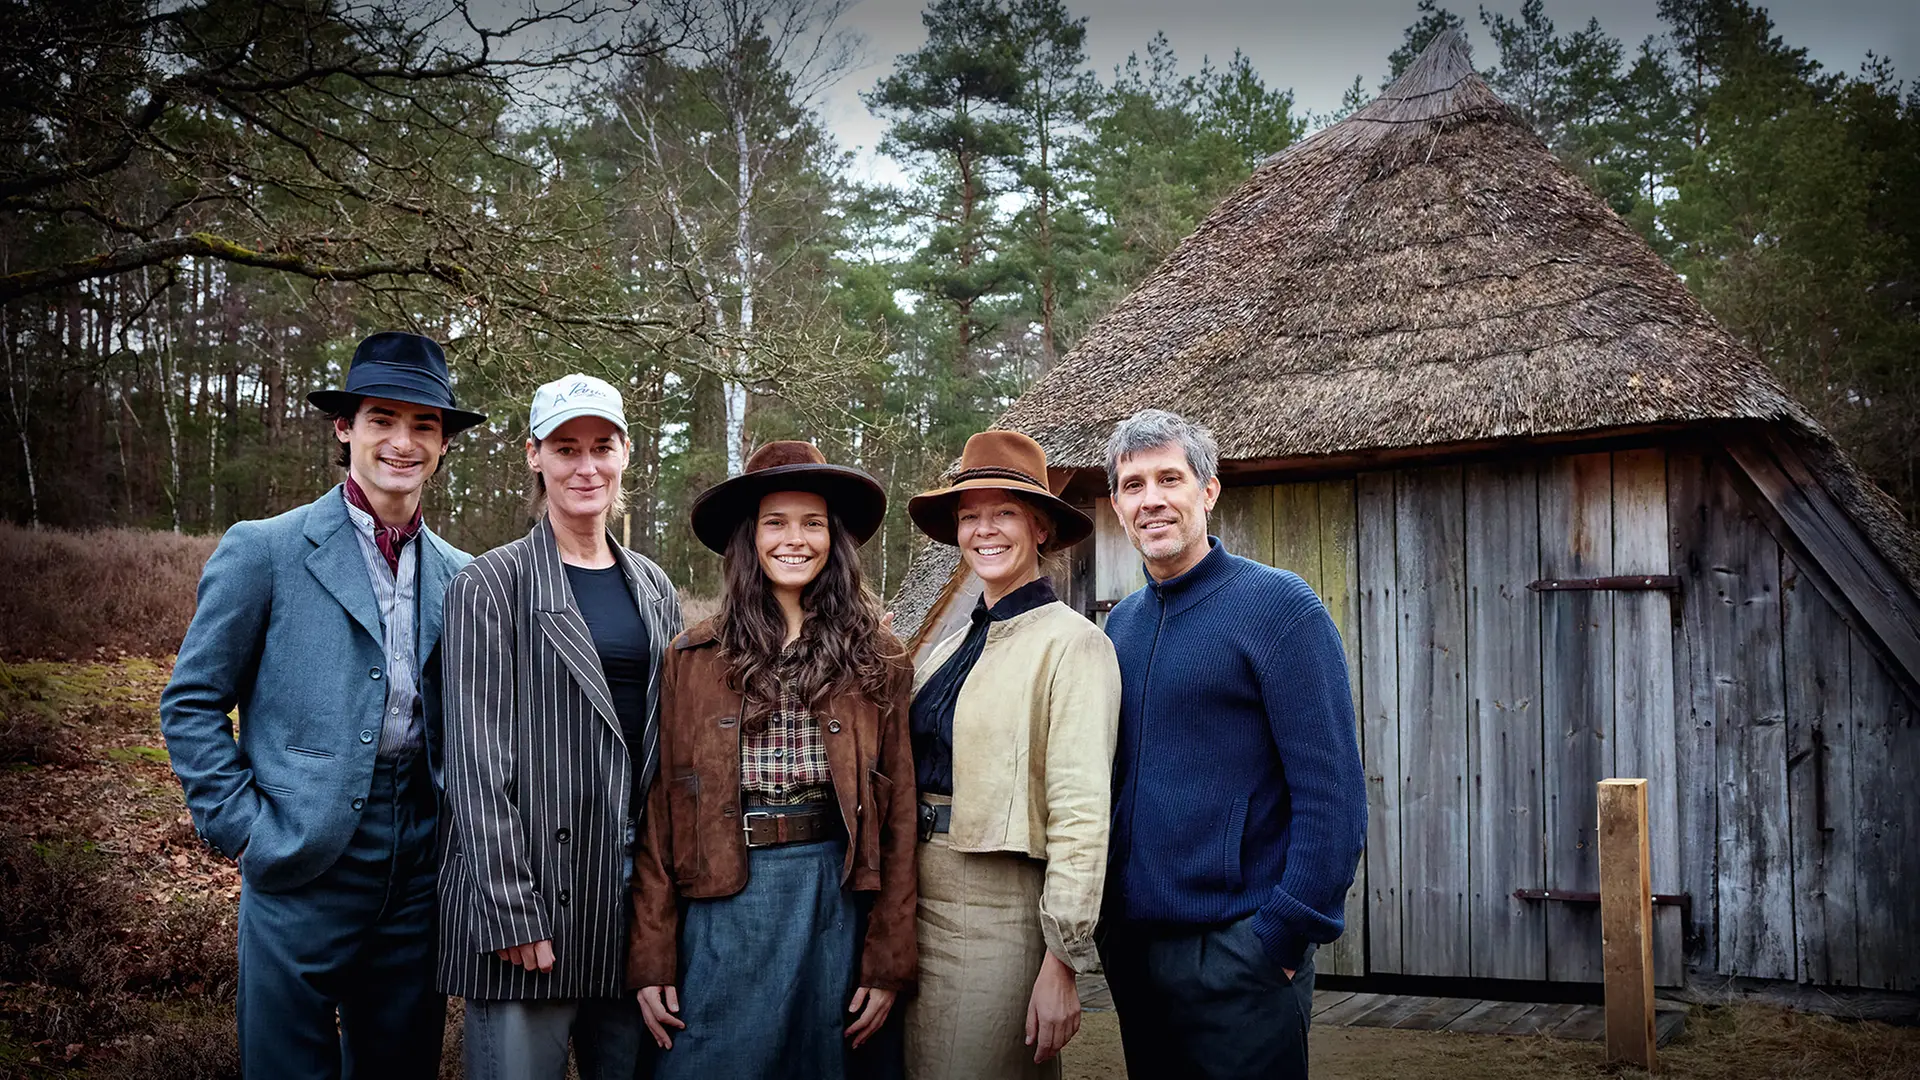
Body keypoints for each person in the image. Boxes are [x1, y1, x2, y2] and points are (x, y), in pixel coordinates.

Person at [159, 331, 488, 1078]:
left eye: (423, 426)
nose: (402, 442)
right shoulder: (264, 550)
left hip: (418, 869)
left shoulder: (464, 576)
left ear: (442, 445)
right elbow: (191, 702)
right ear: (345, 428)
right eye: (382, 419)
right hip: (298, 855)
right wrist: (244, 830)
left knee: (399, 1063)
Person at [627, 441, 917, 1080]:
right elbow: (660, 817)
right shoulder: (691, 657)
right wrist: (651, 957)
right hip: (724, 903)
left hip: (834, 902)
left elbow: (898, 825)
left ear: (834, 539)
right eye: (775, 522)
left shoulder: (880, 659)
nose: (796, 539)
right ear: (748, 538)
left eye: (813, 523)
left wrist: (889, 957)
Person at [1096, 408, 1367, 1080]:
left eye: (1169, 479)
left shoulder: (1279, 608)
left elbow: (1331, 791)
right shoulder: (1118, 629)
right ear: (1116, 504)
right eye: (1133, 485)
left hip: (1240, 953)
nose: (1151, 500)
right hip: (1136, 954)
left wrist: (1283, 932)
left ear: (1208, 491)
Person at [437, 373, 681, 1079]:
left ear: (627, 454)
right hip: (530, 910)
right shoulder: (491, 584)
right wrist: (511, 910)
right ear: (533, 456)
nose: (586, 466)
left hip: (626, 908)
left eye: (601, 446)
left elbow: (664, 756)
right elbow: (476, 763)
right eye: (565, 448)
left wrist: (666, 913)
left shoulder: (655, 586)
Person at [900, 430, 1120, 1080]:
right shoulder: (943, 652)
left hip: (998, 914)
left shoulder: (1073, 646)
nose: (983, 530)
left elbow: (1082, 813)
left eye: (1003, 514)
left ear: (1042, 527)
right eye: (970, 516)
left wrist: (1063, 961)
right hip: (916, 901)